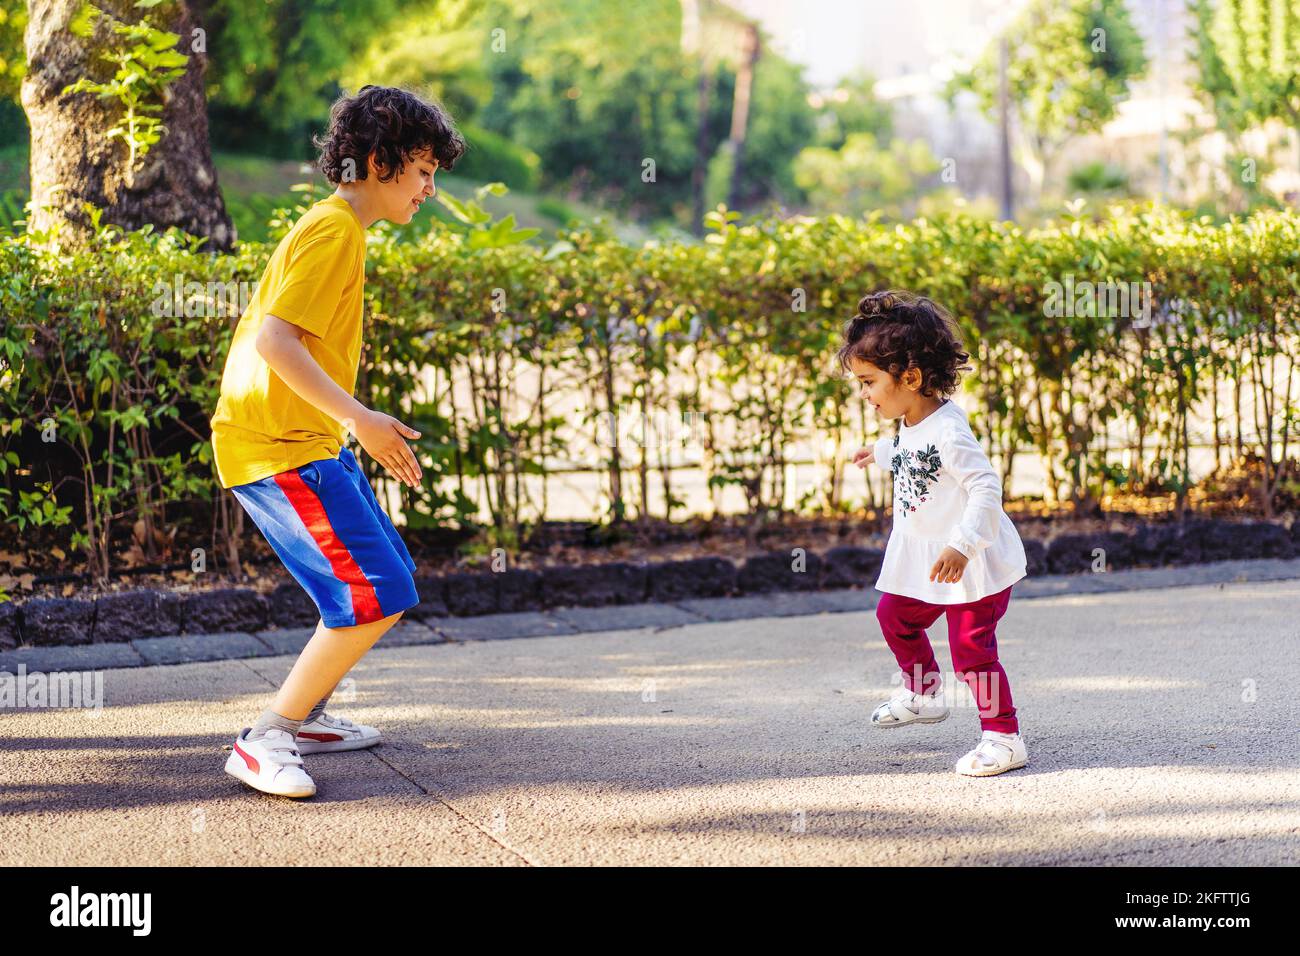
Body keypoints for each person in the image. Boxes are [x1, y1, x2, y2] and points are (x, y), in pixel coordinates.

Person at [209, 86, 466, 797]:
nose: (429, 188)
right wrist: (360, 418)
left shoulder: (335, 226)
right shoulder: (335, 231)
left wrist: (345, 427)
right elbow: (275, 341)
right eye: (421, 171)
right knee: (378, 590)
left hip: (307, 441)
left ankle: (308, 714)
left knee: (380, 580)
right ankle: (266, 737)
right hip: (279, 445)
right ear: (379, 162)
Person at [844, 290, 1029, 777]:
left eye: (868, 382)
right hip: (923, 557)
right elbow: (914, 456)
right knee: (894, 616)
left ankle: (1003, 738)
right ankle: (924, 692)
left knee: (971, 652)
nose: (864, 393)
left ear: (910, 377)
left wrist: (963, 545)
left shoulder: (949, 429)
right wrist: (879, 454)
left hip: (968, 561)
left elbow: (986, 487)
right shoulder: (911, 422)